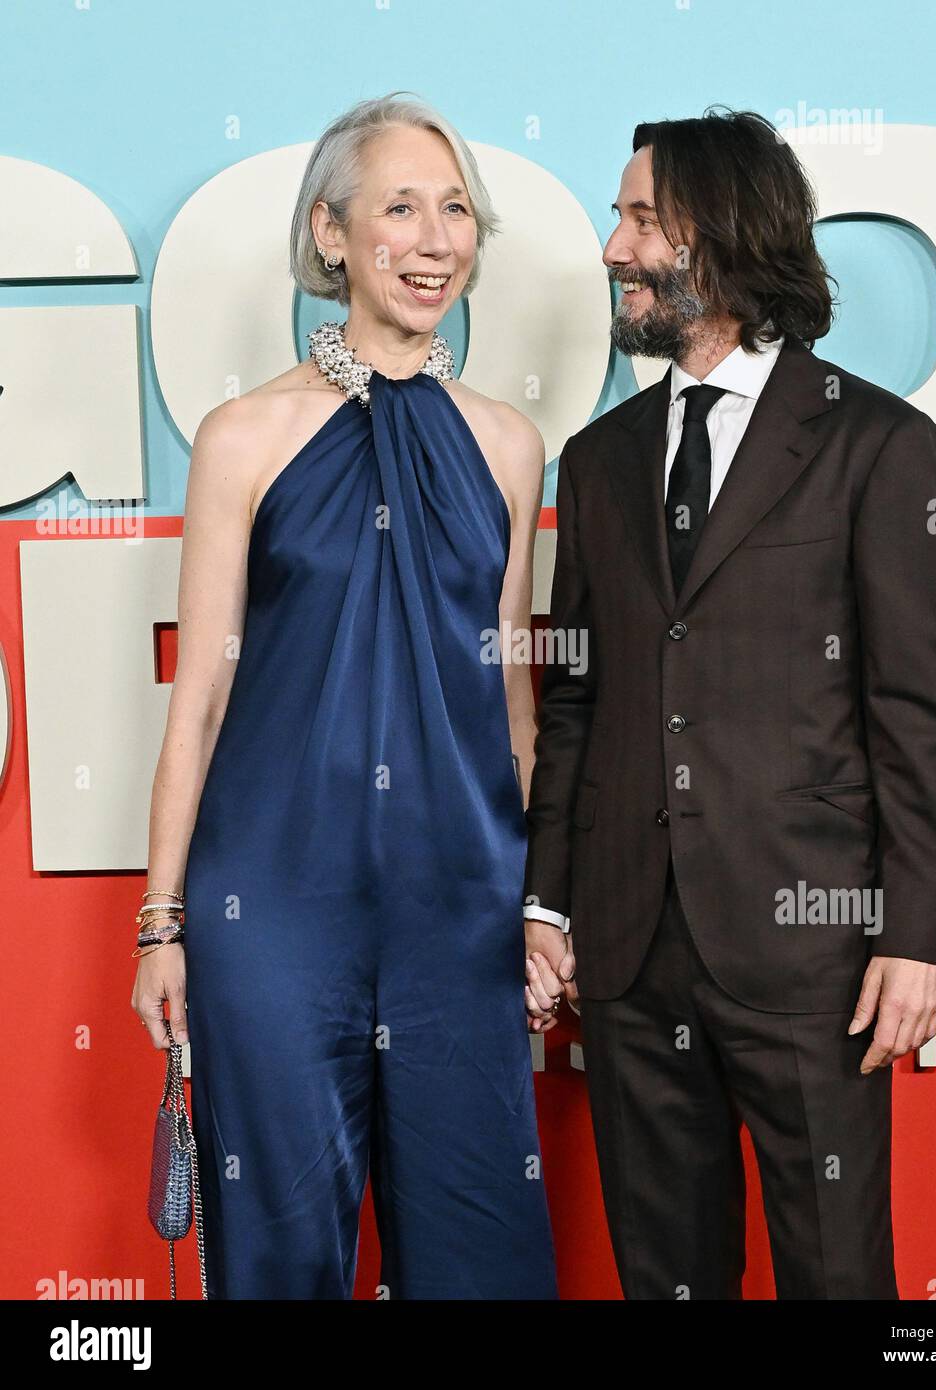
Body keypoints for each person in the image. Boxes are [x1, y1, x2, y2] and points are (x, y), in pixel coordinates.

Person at [521, 106, 936, 1299]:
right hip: (627, 951)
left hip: (813, 948)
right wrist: (549, 901)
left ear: (718, 238)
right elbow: (577, 699)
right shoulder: (602, 458)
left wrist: (918, 934)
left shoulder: (879, 445)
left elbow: (916, 712)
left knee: (836, 1276)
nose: (612, 250)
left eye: (638, 219)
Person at [130, 92, 558, 1300]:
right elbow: (202, 701)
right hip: (269, 909)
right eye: (402, 207)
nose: (436, 241)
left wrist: (543, 905)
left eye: (458, 208)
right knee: (279, 1251)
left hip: (463, 915)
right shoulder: (244, 437)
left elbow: (512, 697)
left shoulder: (509, 444)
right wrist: (161, 920)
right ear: (330, 234)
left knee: (479, 1252)